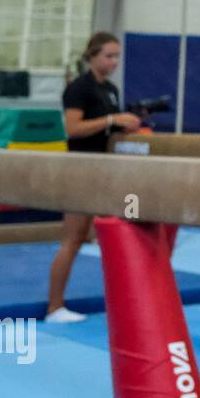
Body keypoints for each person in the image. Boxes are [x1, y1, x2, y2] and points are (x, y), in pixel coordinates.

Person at [45, 32, 142, 322]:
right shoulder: (78, 88)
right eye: (108, 56)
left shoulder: (111, 90)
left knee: (113, 234)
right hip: (81, 169)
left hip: (105, 169)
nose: (114, 62)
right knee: (74, 238)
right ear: (92, 56)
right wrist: (113, 119)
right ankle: (54, 307)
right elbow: (73, 129)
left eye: (117, 57)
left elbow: (104, 129)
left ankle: (125, 301)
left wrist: (124, 125)